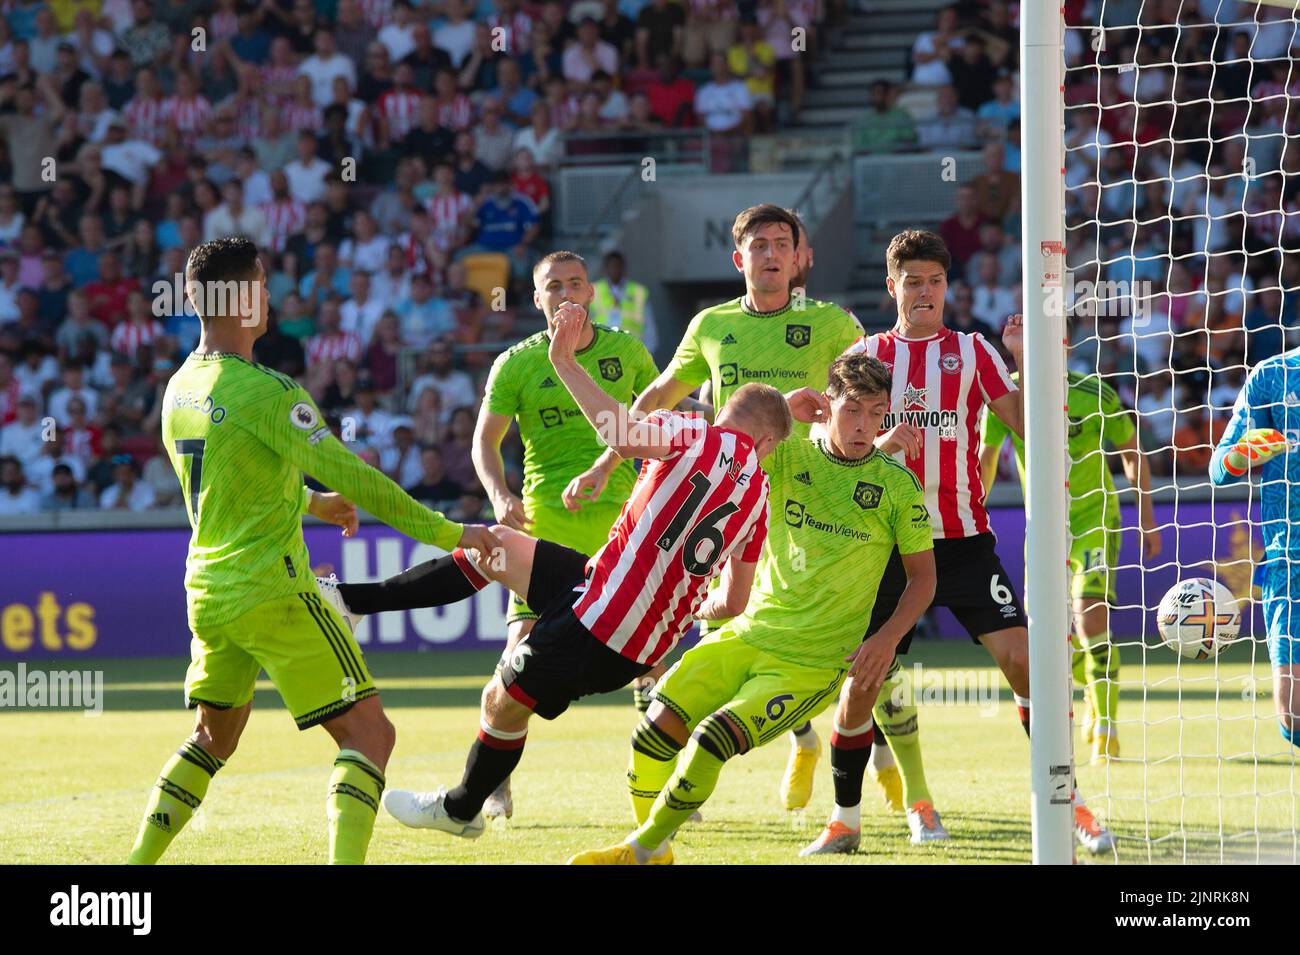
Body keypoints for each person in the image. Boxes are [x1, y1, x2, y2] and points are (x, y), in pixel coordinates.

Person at [327, 305, 792, 843]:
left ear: (725, 415)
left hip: (601, 623)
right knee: (496, 547)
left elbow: (619, 433)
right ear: (765, 443)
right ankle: (351, 602)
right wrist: (691, 604)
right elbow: (733, 603)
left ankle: (461, 808)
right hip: (625, 617)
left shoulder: (696, 432)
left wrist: (564, 361)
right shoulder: (758, 500)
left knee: (501, 701)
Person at [125, 236, 496, 866]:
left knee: (211, 740)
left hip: (208, 595)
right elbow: (356, 475)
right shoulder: (268, 391)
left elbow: (233, 489)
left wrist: (308, 503)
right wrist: (451, 532)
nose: (270, 294)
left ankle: (132, 872)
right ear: (242, 297)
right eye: (263, 282)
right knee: (370, 735)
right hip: (273, 589)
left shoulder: (180, 388)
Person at [797, 229, 1113, 856]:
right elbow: (826, 450)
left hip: (965, 543)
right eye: (911, 281)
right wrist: (875, 448)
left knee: (1029, 665)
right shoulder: (863, 356)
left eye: (934, 282)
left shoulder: (973, 352)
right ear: (891, 287)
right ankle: (855, 817)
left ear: (949, 287)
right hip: (881, 550)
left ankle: (1070, 802)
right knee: (866, 683)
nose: (924, 292)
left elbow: (1029, 428)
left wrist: (1025, 362)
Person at [569, 354, 937, 864]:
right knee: (653, 729)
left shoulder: (897, 486)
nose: (864, 426)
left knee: (711, 737)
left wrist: (887, 637)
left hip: (811, 662)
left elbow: (924, 579)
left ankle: (642, 848)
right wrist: (784, 406)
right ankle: (658, 841)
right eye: (852, 409)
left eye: (877, 413)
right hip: (746, 634)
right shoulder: (788, 457)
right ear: (827, 404)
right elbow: (737, 436)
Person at [450, 250, 657, 819]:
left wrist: (608, 471)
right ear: (537, 298)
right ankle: (494, 781)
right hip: (546, 524)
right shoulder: (515, 364)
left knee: (652, 663)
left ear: (590, 293)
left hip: (623, 524)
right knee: (519, 658)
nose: (565, 294)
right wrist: (499, 494)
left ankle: (658, 785)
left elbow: (648, 426)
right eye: (552, 286)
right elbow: (483, 443)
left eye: (575, 284)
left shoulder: (627, 351)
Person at [982, 369, 1162, 764]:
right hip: (1044, 529)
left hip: (1094, 521)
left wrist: (1146, 518)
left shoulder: (1093, 391)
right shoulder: (1004, 393)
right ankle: (1091, 688)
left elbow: (1132, 452)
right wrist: (973, 515)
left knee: (1089, 618)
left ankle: (1107, 728)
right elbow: (987, 458)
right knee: (1048, 637)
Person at [1210, 349, 1300, 750]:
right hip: (1290, 555)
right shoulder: (1274, 374)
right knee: (1293, 712)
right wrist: (1240, 454)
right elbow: (1217, 469)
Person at [588, 249, 656, 355]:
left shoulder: (638, 292)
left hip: (632, 351)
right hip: (602, 351)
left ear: (623, 268)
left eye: (617, 266)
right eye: (611, 266)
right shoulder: (594, 291)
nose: (614, 269)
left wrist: (645, 354)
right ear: (605, 268)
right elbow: (588, 324)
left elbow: (650, 330)